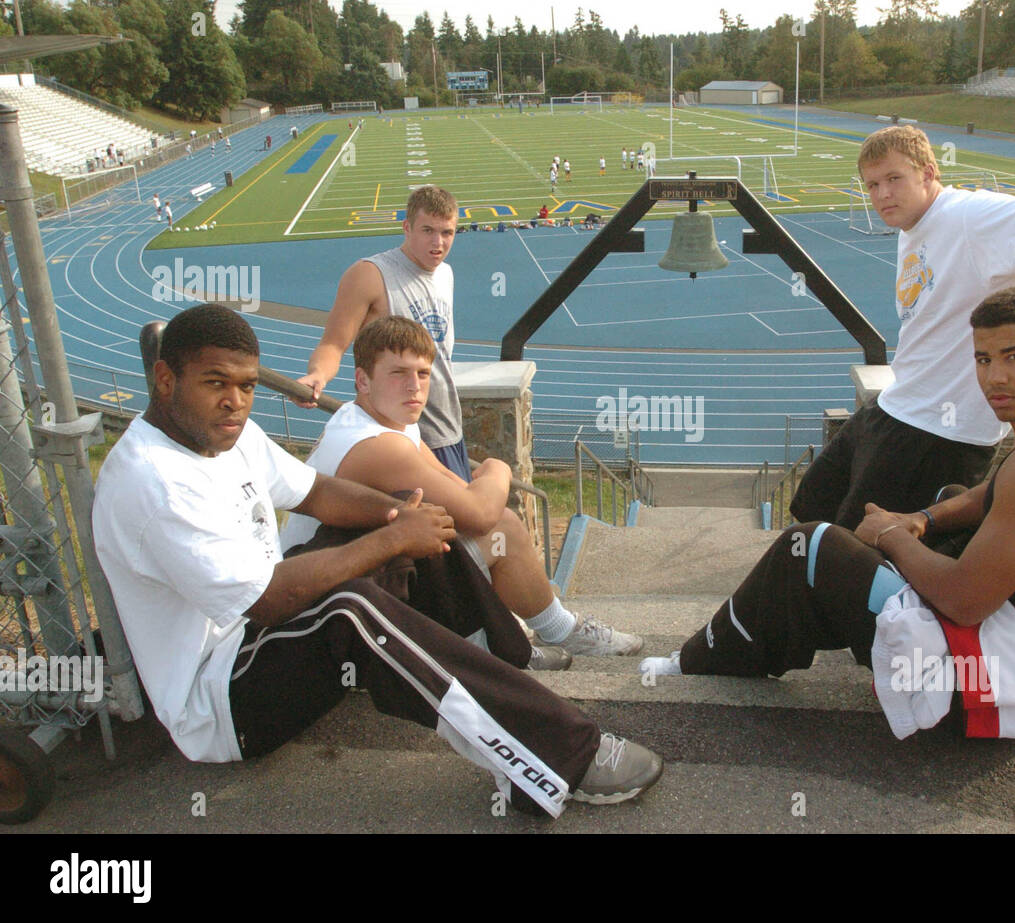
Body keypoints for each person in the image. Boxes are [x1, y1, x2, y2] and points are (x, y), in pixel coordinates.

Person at [93, 304, 663, 816]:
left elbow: (315, 490)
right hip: (223, 699)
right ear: (165, 379)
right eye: (215, 383)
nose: (235, 402)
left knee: (407, 519)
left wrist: (400, 520)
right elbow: (267, 600)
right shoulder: (154, 485)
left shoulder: (226, 435)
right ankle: (559, 755)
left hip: (265, 632)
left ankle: (502, 668)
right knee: (353, 607)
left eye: (245, 386)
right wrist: (391, 540)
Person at [642, 287, 1015, 720]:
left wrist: (893, 536)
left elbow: (964, 601)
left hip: (990, 685)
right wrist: (921, 517)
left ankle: (698, 662)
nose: (995, 377)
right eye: (983, 359)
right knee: (949, 497)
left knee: (810, 546)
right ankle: (798, 626)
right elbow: (992, 495)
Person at [282, 317, 643, 657]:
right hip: (322, 599)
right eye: (398, 374)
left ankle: (519, 634)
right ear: (363, 380)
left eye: (423, 374)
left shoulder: (388, 418)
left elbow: (454, 485)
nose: (415, 387)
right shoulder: (377, 445)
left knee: (485, 526)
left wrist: (482, 486)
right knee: (500, 525)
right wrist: (498, 468)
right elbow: (480, 514)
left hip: (362, 569)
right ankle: (554, 630)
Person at [790, 125, 1015, 529]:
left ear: (929, 173)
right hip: (896, 407)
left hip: (938, 436)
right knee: (811, 507)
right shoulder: (915, 226)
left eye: (894, 179)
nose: (882, 195)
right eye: (873, 185)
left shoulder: (964, 214)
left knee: (858, 550)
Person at [298, 186, 473, 480]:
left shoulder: (445, 274)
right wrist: (318, 375)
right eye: (427, 230)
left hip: (447, 430)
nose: (438, 243)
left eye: (447, 233)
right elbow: (333, 343)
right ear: (406, 227)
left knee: (460, 519)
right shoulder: (370, 275)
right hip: (398, 436)